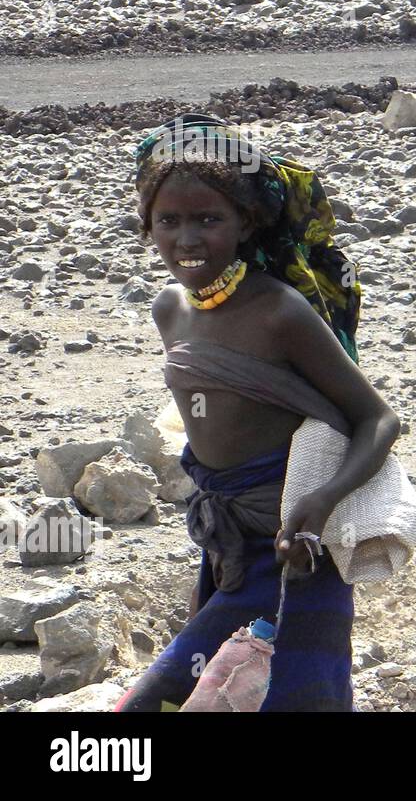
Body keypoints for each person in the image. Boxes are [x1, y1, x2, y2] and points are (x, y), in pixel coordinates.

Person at [116, 114, 401, 711]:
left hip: (293, 545)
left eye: (208, 219)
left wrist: (319, 502)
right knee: (211, 692)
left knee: (273, 695)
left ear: (245, 223)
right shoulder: (171, 309)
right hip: (226, 542)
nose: (187, 239)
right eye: (169, 220)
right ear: (146, 225)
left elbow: (378, 420)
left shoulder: (279, 312)